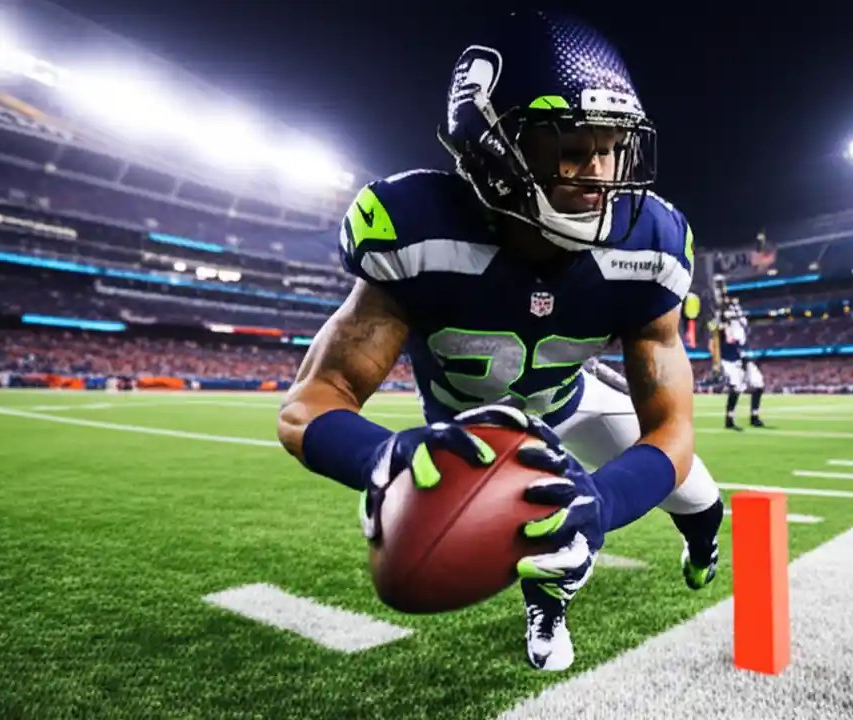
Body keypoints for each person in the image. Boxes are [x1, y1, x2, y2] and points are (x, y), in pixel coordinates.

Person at [275, 11, 724, 672]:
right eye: (573, 148)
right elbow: (308, 405)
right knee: (543, 519)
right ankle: (550, 603)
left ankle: (703, 542)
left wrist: (606, 501)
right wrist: (384, 455)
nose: (599, 174)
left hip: (574, 400)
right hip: (469, 430)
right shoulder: (416, 231)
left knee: (698, 497)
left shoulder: (649, 246)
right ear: (492, 145)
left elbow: (674, 430)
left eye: (610, 148)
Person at [711, 295, 765, 429]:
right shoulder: (721, 323)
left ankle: (754, 416)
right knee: (736, 386)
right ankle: (729, 419)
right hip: (730, 358)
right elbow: (716, 338)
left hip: (744, 357)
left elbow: (743, 330)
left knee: (758, 384)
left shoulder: (739, 321)